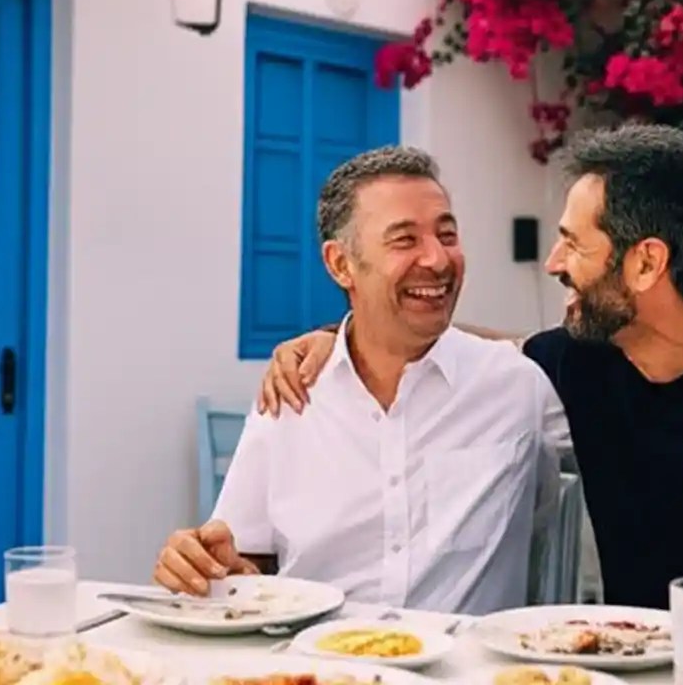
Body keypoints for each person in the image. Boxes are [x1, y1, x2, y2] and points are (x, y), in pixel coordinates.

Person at [261, 126, 683, 681]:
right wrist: (334, 337)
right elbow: (471, 348)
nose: (553, 262)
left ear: (646, 263)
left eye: (574, 243)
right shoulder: (581, 363)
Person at [152, 147, 569, 615]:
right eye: (405, 240)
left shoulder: (517, 384)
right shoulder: (293, 393)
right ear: (340, 264)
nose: (436, 259)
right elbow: (242, 559)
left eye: (447, 235)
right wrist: (207, 568)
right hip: (315, 666)